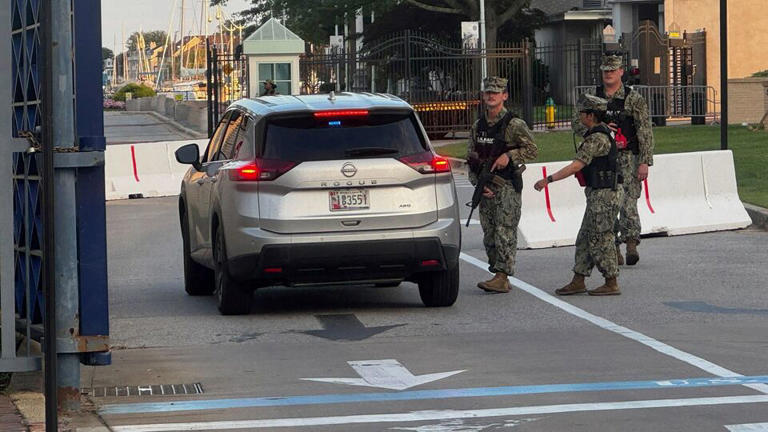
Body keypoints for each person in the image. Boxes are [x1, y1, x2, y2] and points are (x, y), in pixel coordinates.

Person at [573, 53, 654, 266]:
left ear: (620, 72)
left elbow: (644, 130)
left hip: (627, 157)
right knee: (605, 203)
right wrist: (598, 128)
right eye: (605, 71)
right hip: (600, 159)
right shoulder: (591, 98)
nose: (608, 74)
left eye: (612, 70)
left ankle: (631, 242)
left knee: (628, 201)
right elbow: (577, 124)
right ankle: (612, 247)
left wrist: (645, 161)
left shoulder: (633, 98)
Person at [536, 93, 621, 296]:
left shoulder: (597, 139)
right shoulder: (598, 133)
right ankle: (579, 279)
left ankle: (611, 281)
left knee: (601, 237)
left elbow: (576, 166)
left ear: (590, 116)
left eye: (582, 113)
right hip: (597, 193)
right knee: (585, 237)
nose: (580, 116)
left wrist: (548, 180)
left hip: (604, 194)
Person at [468, 76, 538, 293]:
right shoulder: (478, 125)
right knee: (489, 235)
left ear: (504, 96)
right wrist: (478, 183)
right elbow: (471, 156)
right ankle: (498, 273)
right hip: (486, 186)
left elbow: (533, 150)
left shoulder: (514, 124)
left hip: (506, 186)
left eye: (495, 93)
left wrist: (510, 155)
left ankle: (502, 275)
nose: (491, 96)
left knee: (504, 231)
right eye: (488, 92)